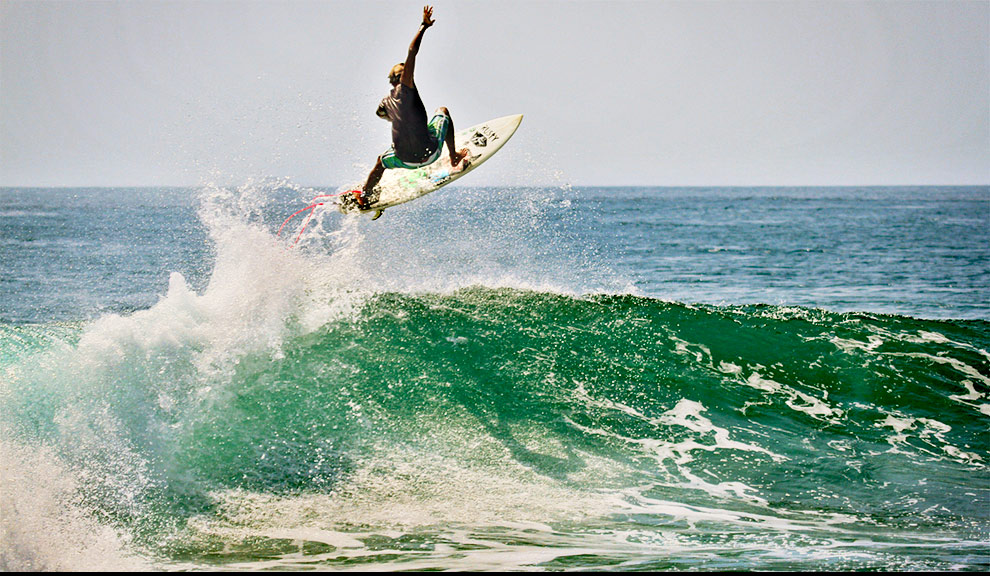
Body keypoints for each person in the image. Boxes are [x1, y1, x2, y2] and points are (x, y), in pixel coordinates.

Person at [356, 5, 470, 209]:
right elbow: (412, 52)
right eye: (404, 73)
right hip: (430, 152)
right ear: (400, 79)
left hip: (403, 161)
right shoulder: (406, 87)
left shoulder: (385, 103)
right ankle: (453, 157)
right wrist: (423, 27)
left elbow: (379, 113)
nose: (407, 74)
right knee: (443, 111)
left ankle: (364, 196)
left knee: (380, 163)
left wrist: (396, 120)